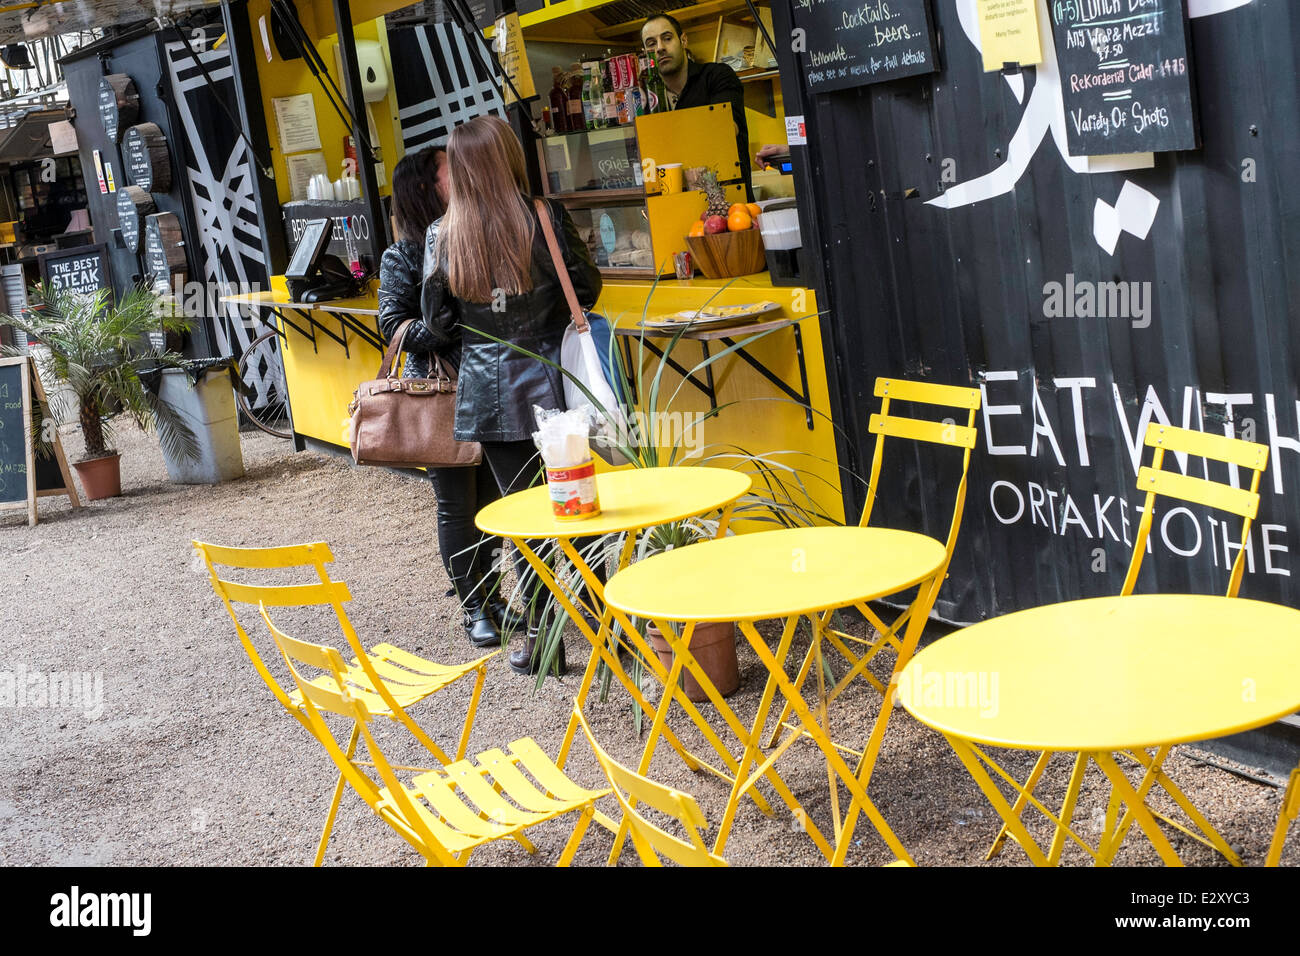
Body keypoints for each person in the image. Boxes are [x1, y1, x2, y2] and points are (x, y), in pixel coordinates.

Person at [421, 114, 603, 676]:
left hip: (490, 391)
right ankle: (610, 629)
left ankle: (546, 643)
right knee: (582, 509)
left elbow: (436, 320)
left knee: (525, 523)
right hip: (557, 382)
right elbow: (588, 287)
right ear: (509, 158)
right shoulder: (544, 216)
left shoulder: (443, 235)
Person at [377, 148, 507, 650]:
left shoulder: (474, 236)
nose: (460, 176)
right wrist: (451, 332)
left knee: (493, 500)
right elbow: (393, 326)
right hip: (441, 391)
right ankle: (473, 603)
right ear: (427, 188)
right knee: (457, 503)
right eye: (448, 172)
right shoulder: (403, 254)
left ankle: (492, 593)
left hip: (489, 386)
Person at [641, 13, 753, 201]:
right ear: (645, 53)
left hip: (729, 204)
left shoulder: (717, 76)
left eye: (667, 39)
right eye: (651, 44)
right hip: (674, 206)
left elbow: (727, 129)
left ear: (683, 40)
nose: (660, 48)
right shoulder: (649, 97)